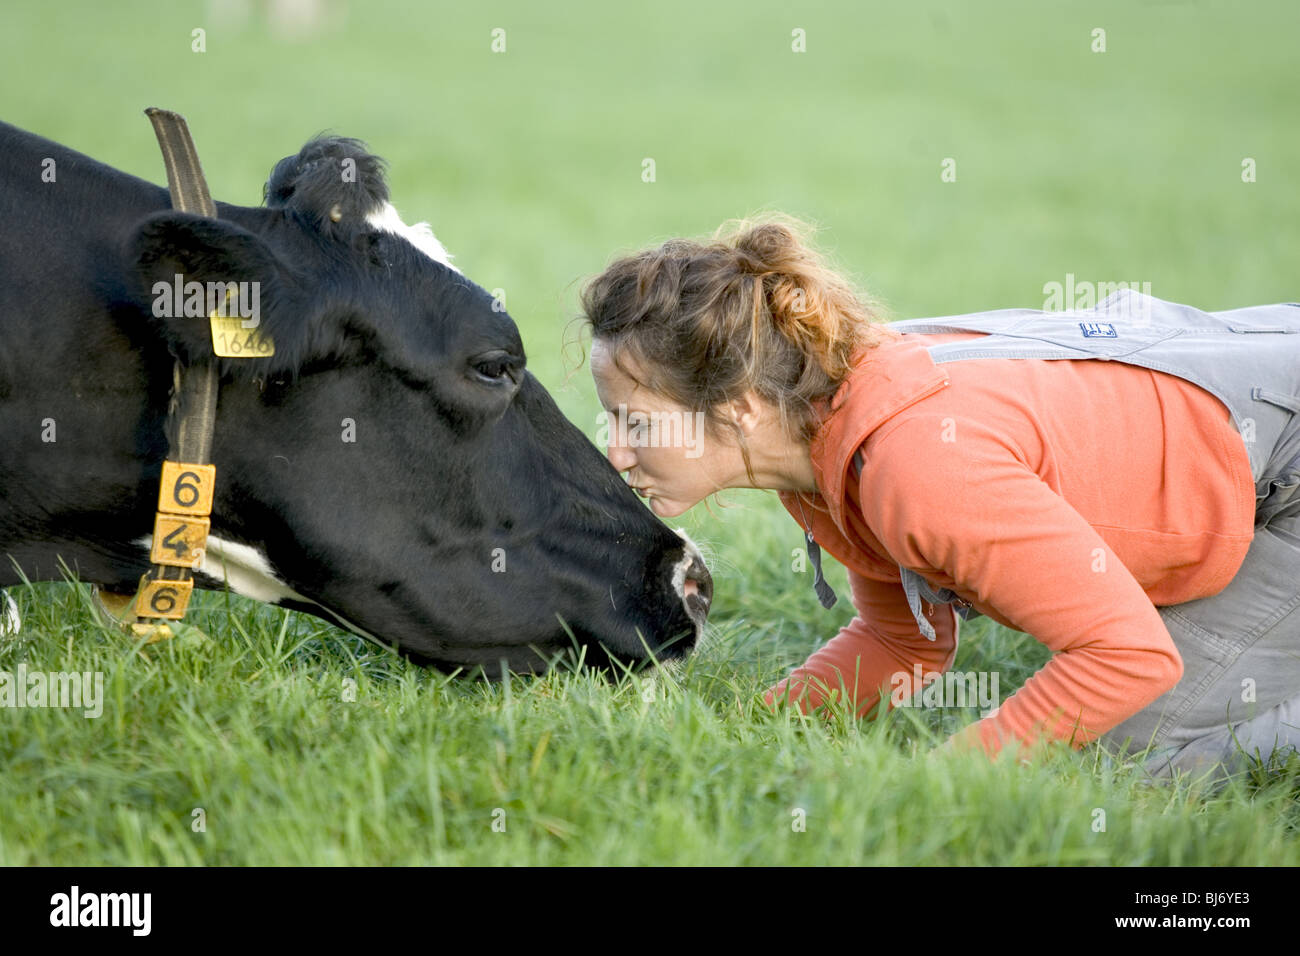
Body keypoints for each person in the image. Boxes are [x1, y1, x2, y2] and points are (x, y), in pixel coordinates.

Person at [578, 213, 1300, 787]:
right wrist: (741, 733)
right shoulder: (816, 429)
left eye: (634, 421)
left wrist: (937, 783)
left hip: (1285, 469)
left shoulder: (918, 467)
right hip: (1252, 448)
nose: (615, 452)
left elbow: (1125, 655)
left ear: (737, 408)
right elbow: (903, 641)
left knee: (1132, 763)